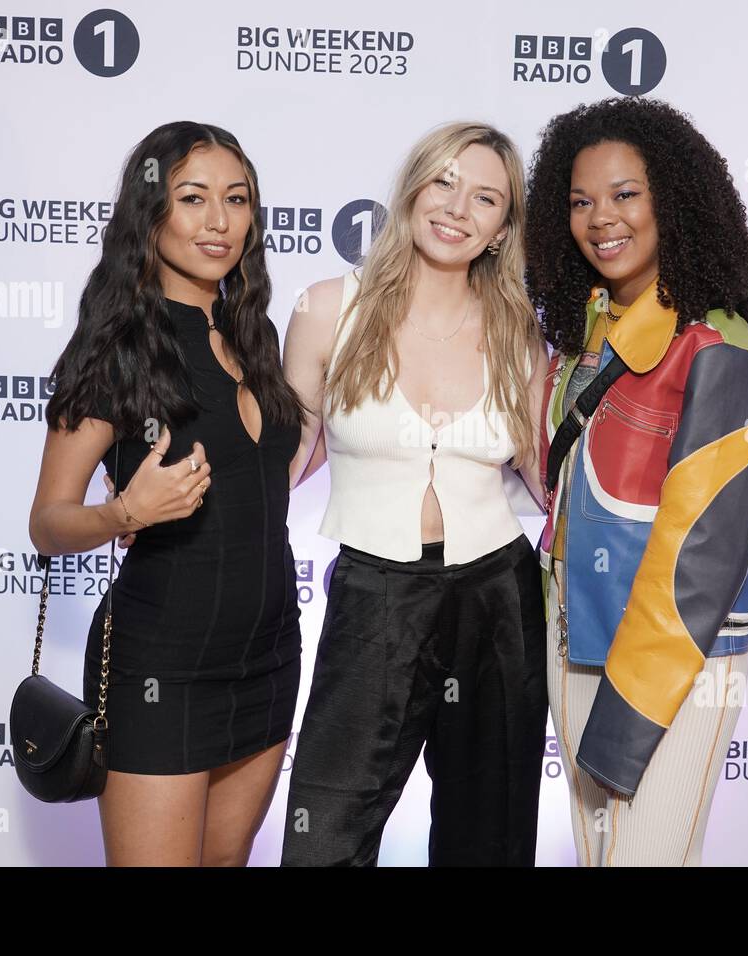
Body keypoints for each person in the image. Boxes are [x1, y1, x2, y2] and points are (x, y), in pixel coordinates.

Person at [28, 121, 303, 866]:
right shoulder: (117, 346)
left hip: (271, 651)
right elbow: (47, 522)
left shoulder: (256, 335)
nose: (219, 221)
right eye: (193, 198)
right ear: (151, 213)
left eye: (237, 199)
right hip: (162, 664)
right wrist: (126, 513)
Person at [279, 121, 550, 866]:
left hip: (499, 596)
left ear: (501, 229)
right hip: (375, 592)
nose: (459, 207)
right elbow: (288, 452)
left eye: (486, 198)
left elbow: (543, 475)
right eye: (445, 182)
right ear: (413, 189)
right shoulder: (328, 308)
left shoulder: (519, 334)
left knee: (488, 836)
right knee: (326, 830)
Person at [524, 97, 748, 866]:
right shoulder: (587, 337)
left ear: (673, 200)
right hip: (576, 645)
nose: (601, 218)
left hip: (673, 665)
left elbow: (700, 562)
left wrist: (628, 715)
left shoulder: (716, 347)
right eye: (580, 201)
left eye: (625, 194)